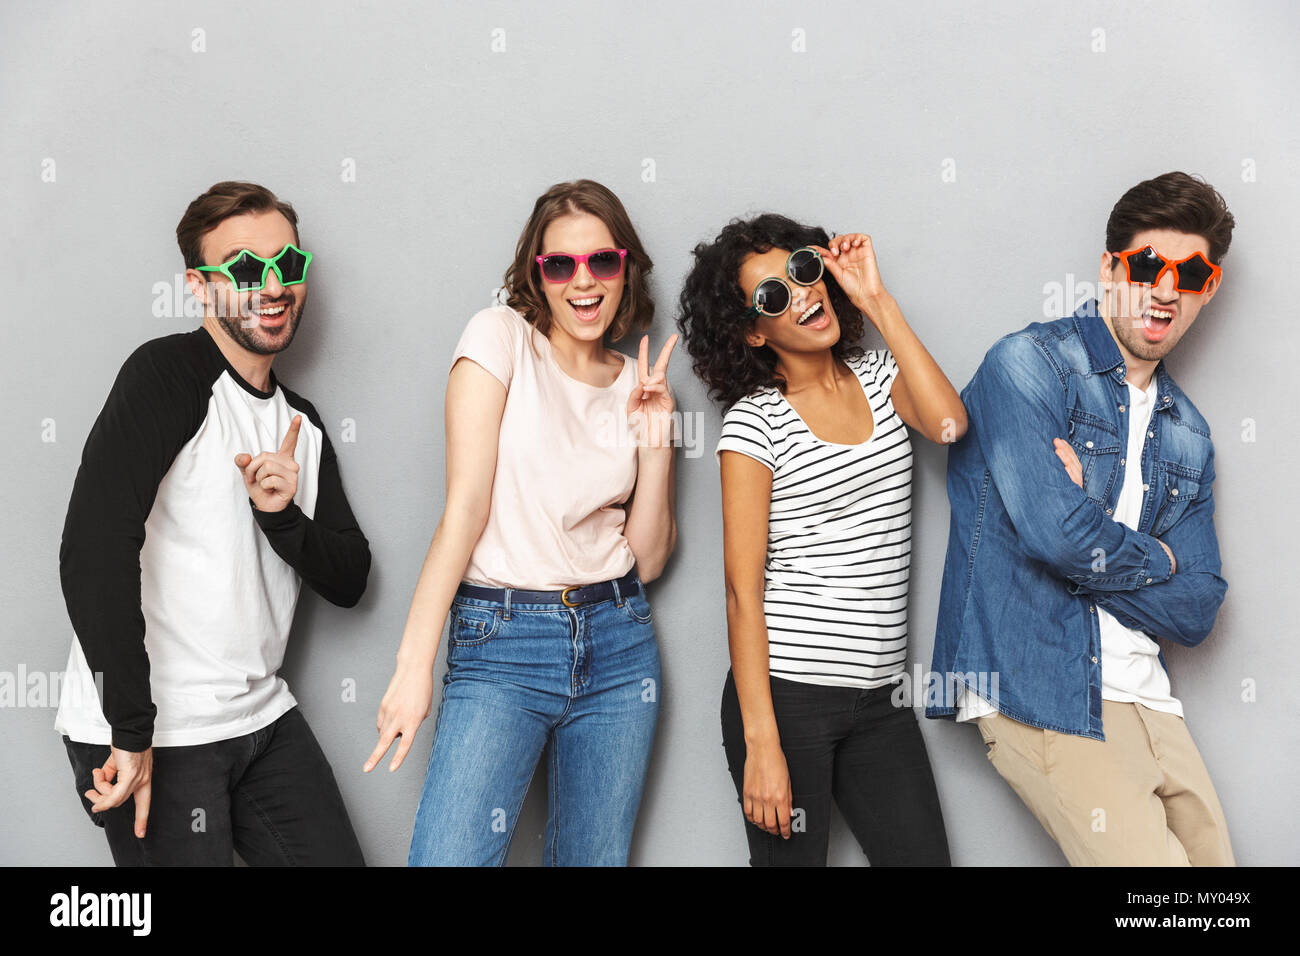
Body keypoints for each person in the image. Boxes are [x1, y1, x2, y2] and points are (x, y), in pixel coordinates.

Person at [56, 181, 371, 865]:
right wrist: (132, 730)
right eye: (246, 270)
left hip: (260, 719)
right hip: (155, 730)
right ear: (201, 286)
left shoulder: (303, 426)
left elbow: (350, 578)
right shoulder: (164, 377)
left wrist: (281, 518)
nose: (274, 285)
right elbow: (93, 550)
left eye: (288, 265)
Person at [928, 171, 1237, 866]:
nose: (1165, 289)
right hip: (1042, 685)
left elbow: (1198, 607)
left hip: (1152, 700)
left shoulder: (1189, 432)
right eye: (1149, 265)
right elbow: (1054, 536)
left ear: (1208, 288)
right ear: (1110, 268)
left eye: (1190, 274)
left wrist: (1087, 529)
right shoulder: (1027, 367)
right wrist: (1156, 558)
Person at [366, 179, 677, 867]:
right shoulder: (499, 336)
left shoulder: (639, 383)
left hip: (621, 645)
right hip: (503, 641)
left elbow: (649, 560)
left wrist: (655, 439)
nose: (583, 282)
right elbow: (465, 507)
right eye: (560, 264)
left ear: (626, 268)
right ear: (537, 275)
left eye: (602, 261)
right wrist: (414, 665)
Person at [678, 213, 965, 865]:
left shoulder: (880, 378)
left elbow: (949, 426)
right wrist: (761, 744)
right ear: (754, 330)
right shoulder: (755, 425)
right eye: (773, 295)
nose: (802, 293)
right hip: (787, 700)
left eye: (803, 271)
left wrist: (877, 301)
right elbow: (741, 593)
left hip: (883, 700)